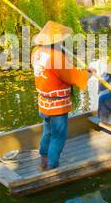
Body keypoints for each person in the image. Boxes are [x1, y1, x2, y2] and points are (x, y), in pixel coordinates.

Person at [31, 21, 89, 171]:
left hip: (44, 102)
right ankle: (52, 165)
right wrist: (88, 73)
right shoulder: (56, 57)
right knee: (58, 136)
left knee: (48, 131)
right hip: (57, 106)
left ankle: (43, 157)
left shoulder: (36, 52)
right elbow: (72, 76)